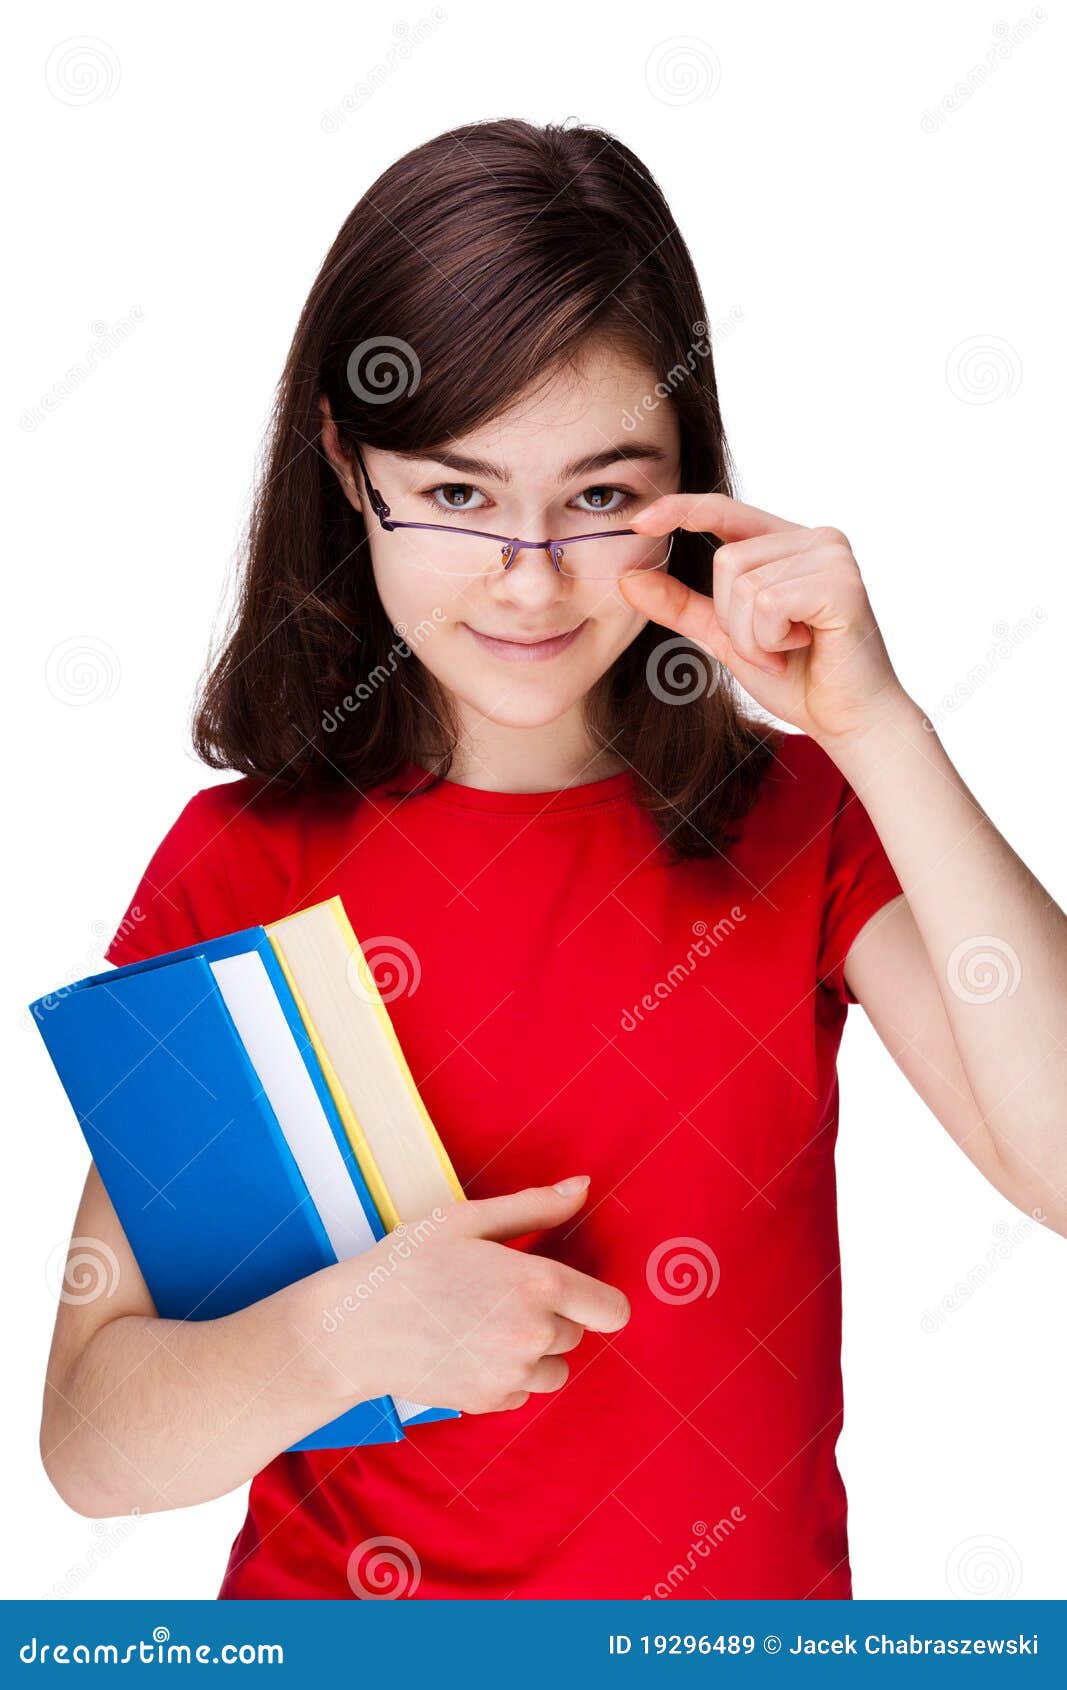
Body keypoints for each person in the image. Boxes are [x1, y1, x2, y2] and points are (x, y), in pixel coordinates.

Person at [39, 118, 1066, 1601]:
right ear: (347, 458)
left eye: (598, 496)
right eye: (457, 495)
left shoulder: (806, 825)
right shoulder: (240, 865)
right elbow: (90, 1435)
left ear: (687, 483)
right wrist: (347, 1331)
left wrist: (881, 725)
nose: (530, 578)